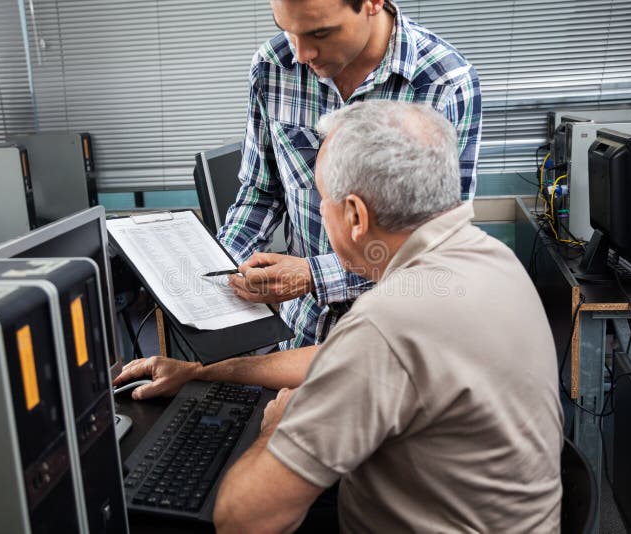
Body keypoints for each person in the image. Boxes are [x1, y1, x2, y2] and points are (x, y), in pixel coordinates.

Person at [208, 101, 562, 532]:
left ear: (356, 216)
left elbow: (241, 520)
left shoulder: (387, 323)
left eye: (322, 201)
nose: (319, 211)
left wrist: (275, 429)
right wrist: (201, 372)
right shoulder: (492, 260)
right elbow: (335, 358)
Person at [218, 0, 482, 349]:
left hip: (399, 341)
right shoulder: (272, 66)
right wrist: (222, 271)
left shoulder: (445, 84)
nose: (300, 53)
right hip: (302, 335)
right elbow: (260, 191)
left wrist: (315, 275)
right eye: (287, 29)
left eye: (319, 33)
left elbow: (437, 244)